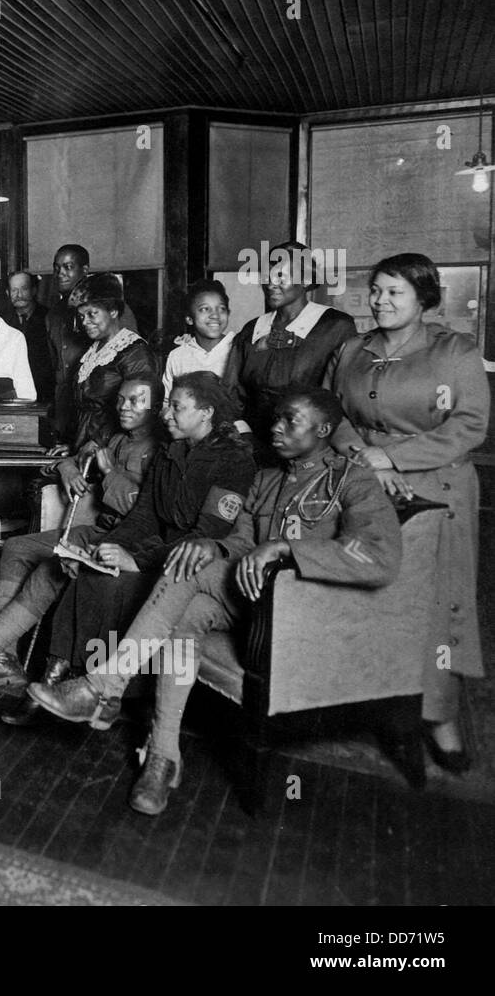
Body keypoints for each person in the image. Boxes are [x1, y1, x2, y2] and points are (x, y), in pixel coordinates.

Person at [27, 388, 401, 815]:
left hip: (308, 612)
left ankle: (103, 687)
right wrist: (213, 546)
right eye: (276, 418)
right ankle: (163, 755)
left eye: (291, 421)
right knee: (187, 597)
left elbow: (380, 558)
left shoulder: (352, 480)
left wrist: (285, 548)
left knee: (184, 575)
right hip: (253, 602)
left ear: (324, 429)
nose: (276, 428)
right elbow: (241, 539)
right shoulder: (266, 479)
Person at [324, 254, 489, 772]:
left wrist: (393, 457)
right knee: (374, 599)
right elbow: (331, 413)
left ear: (424, 299)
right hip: (365, 483)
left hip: (439, 488)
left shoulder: (455, 351)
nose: (380, 301)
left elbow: (470, 425)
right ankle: (376, 707)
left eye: (394, 292)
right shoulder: (353, 349)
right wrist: (365, 458)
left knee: (439, 606)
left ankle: (440, 715)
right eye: (376, 290)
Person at [18, 372, 257, 711]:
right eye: (168, 406)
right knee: (91, 572)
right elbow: (144, 517)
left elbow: (208, 534)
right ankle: (55, 679)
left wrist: (136, 561)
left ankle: (100, 694)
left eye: (177, 407)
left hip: (191, 564)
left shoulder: (234, 460)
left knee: (111, 584)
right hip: (159, 549)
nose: (166, 414)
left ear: (206, 413)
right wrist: (102, 549)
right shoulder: (170, 451)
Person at [0, 376, 163, 703]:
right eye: (120, 399)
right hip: (100, 530)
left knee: (50, 571)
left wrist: (108, 472)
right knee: (17, 548)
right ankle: (5, 658)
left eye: (135, 401)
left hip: (125, 541)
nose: (123, 407)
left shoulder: (159, 450)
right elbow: (77, 458)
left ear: (156, 407)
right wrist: (67, 466)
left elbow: (142, 510)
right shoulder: (118, 438)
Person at [227, 240, 357, 465]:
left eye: (281, 276)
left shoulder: (335, 326)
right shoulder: (252, 329)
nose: (271, 283)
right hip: (252, 449)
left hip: (311, 453)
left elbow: (343, 399)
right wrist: (244, 437)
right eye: (267, 276)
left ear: (305, 280)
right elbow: (231, 394)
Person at [46, 244, 139, 442]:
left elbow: (129, 365)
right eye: (56, 268)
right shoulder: (53, 314)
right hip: (67, 416)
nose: (60, 273)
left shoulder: (113, 310)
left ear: (85, 270)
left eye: (68, 267)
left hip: (105, 425)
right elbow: (56, 368)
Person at [66, 273, 158, 452]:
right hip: (84, 446)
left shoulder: (136, 353)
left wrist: (99, 442)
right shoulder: (92, 352)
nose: (85, 322)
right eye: (82, 316)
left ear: (113, 311)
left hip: (116, 449)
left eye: (92, 314)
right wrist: (73, 445)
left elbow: (142, 410)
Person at [161, 278, 249, 433]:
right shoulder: (178, 355)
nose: (215, 315)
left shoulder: (239, 347)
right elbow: (167, 401)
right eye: (204, 309)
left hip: (231, 434)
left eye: (221, 309)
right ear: (189, 318)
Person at [5, 269, 53, 403]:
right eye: (14, 290)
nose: (19, 295)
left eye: (24, 289)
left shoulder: (49, 317)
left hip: (44, 394)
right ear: (8, 293)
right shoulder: (2, 321)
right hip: (12, 394)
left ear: (34, 290)